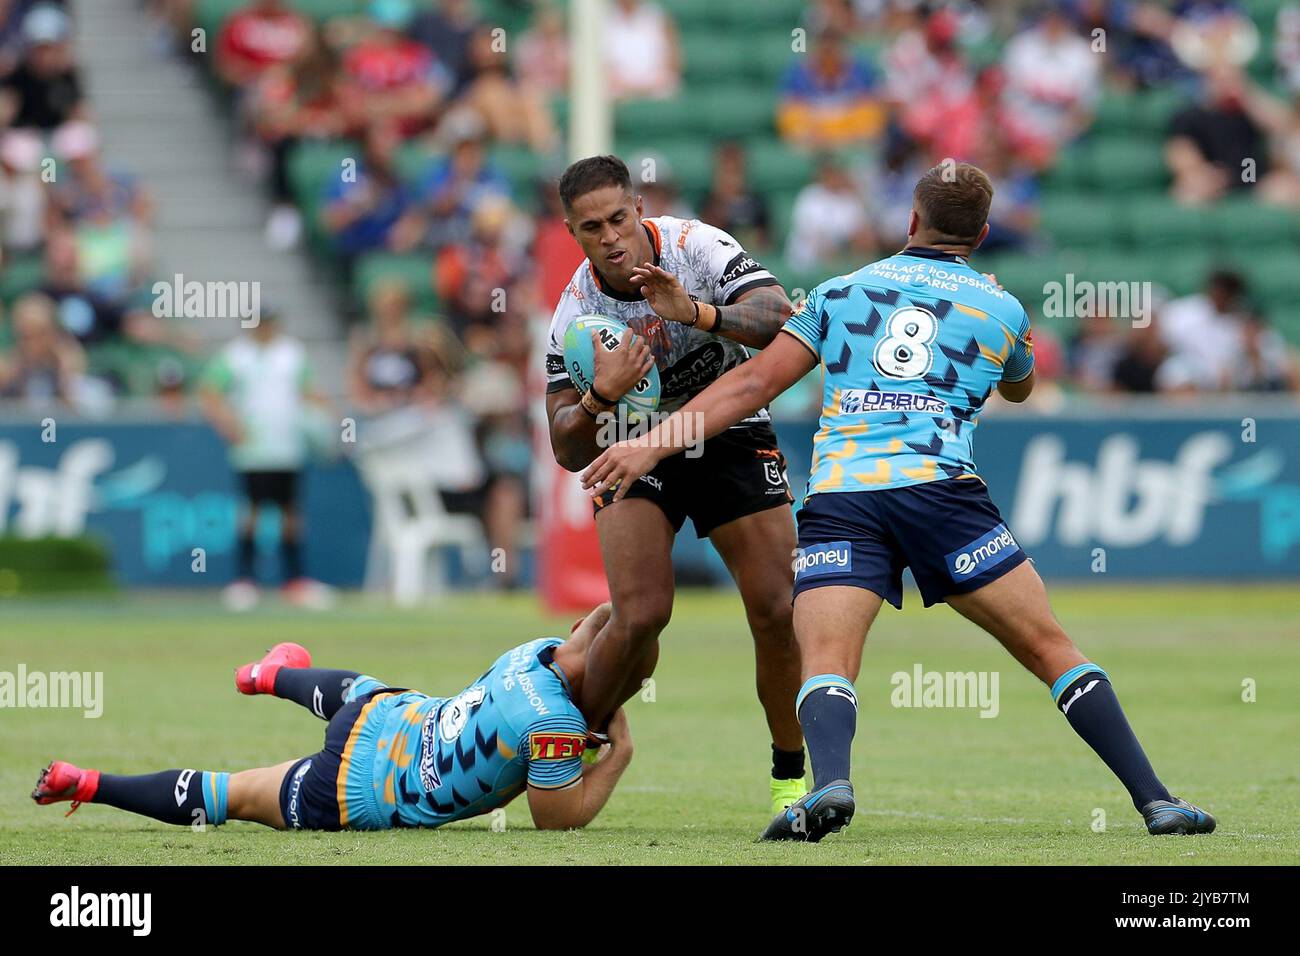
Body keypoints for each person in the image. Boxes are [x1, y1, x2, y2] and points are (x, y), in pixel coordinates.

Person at [582, 161, 1216, 842]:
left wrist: (649, 446)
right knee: (1048, 647)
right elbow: (1021, 388)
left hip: (847, 495)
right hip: (943, 496)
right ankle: (1156, 801)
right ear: (981, 236)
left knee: (826, 657)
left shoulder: (840, 293)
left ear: (911, 222)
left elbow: (750, 387)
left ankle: (829, 786)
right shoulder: (1000, 308)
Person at [543, 155, 807, 816]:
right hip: (631, 445)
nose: (610, 237)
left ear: (638, 208)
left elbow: (782, 317)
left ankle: (790, 776)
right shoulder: (574, 310)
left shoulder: (698, 247)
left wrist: (691, 310)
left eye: (617, 218)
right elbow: (565, 445)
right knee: (641, 616)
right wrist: (600, 396)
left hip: (729, 430)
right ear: (572, 232)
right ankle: (571, 750)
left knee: (777, 608)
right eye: (591, 228)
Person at [33, 604, 633, 833]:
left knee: (363, 688)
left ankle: (267, 676)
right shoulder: (554, 725)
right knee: (232, 795)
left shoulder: (530, 651)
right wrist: (617, 757)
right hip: (363, 790)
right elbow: (558, 822)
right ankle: (87, 783)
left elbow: (602, 623)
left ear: (576, 629)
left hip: (388, 718)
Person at [198, 310, 332, 611]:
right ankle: (245, 582)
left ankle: (295, 581)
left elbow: (309, 392)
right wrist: (229, 426)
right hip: (253, 451)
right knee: (252, 512)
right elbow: (209, 393)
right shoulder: (235, 356)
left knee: (290, 514)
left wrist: (327, 424)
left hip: (287, 447)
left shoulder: (292, 353)